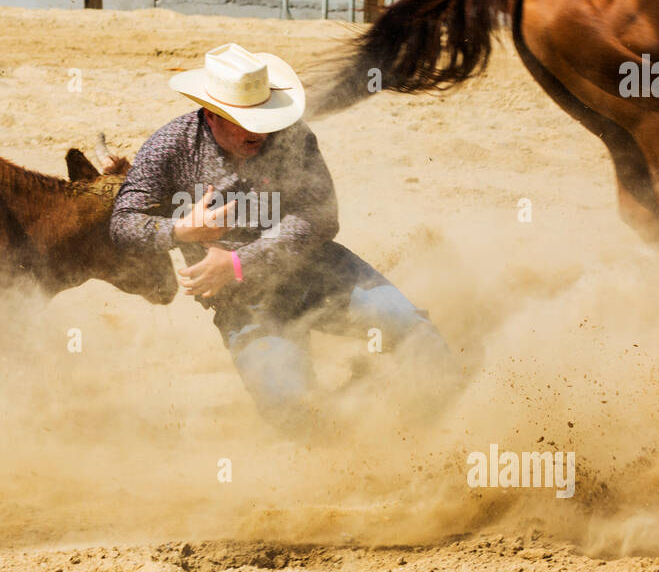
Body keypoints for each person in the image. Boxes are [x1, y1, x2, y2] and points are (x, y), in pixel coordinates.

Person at [110, 43, 453, 428]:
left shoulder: (291, 136)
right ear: (211, 115)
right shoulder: (169, 147)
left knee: (414, 331)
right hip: (245, 306)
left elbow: (320, 217)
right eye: (243, 120)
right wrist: (179, 229)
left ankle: (448, 428)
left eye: (263, 116)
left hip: (320, 271)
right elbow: (123, 223)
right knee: (292, 410)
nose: (259, 130)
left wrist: (240, 262)